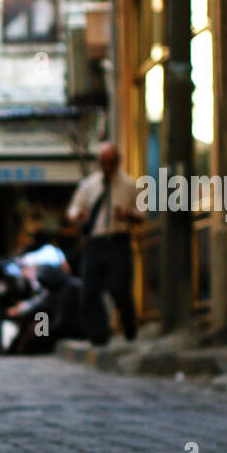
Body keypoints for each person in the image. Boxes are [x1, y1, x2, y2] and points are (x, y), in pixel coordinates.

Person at [65, 143, 143, 345]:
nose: (107, 166)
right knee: (90, 291)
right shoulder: (89, 185)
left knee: (120, 289)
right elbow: (73, 209)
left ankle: (130, 330)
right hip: (95, 243)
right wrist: (79, 216)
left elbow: (143, 214)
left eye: (111, 162)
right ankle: (99, 336)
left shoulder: (130, 185)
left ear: (118, 162)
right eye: (104, 162)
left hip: (118, 241)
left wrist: (128, 215)